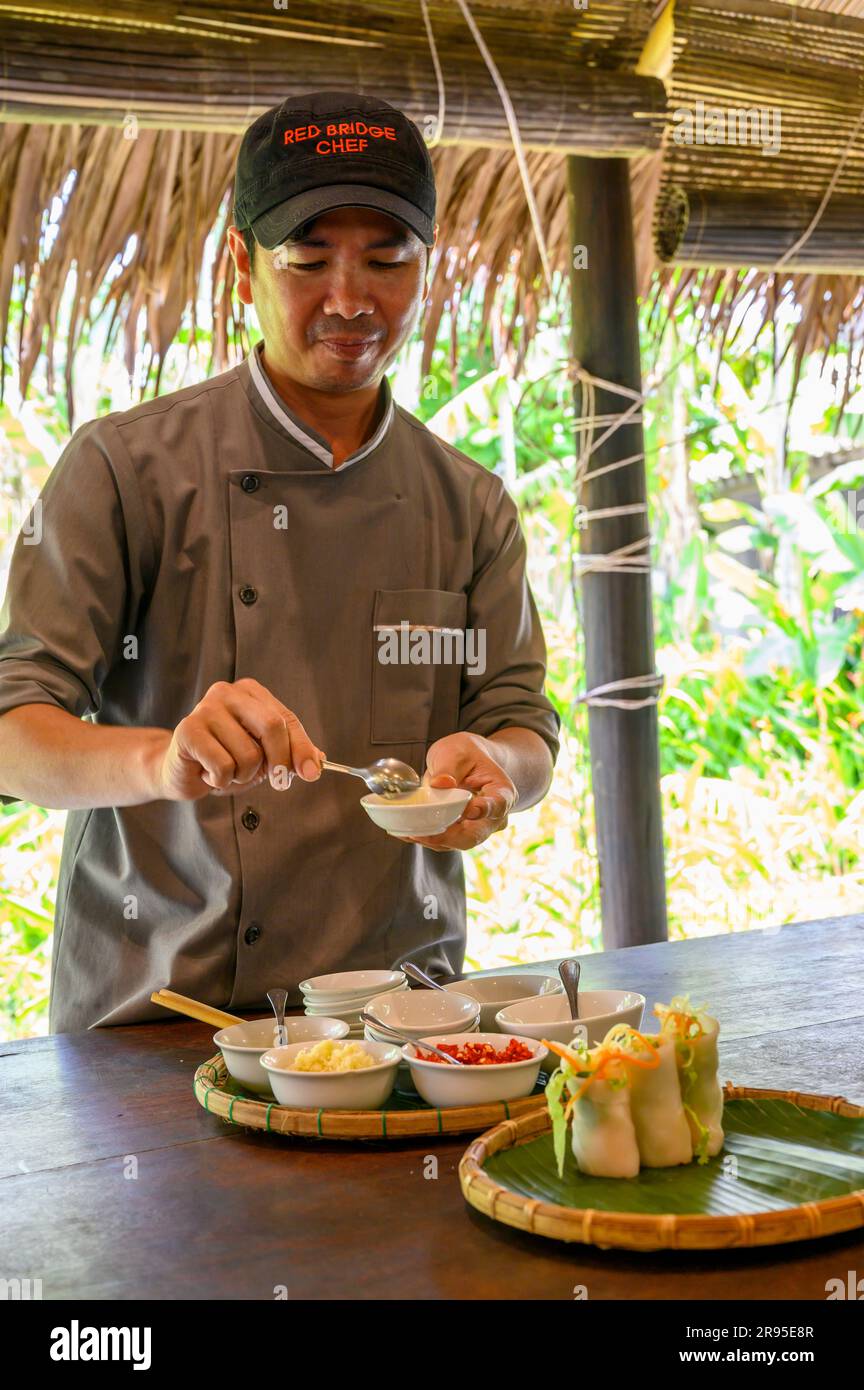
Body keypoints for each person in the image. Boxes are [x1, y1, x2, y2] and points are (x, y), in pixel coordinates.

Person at [0, 91, 560, 1033]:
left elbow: (522, 723)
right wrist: (165, 758)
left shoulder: (467, 503)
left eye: (388, 261)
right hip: (162, 1026)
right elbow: (14, 731)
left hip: (396, 1027)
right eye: (307, 261)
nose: (351, 300)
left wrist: (499, 767)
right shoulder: (126, 467)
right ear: (239, 262)